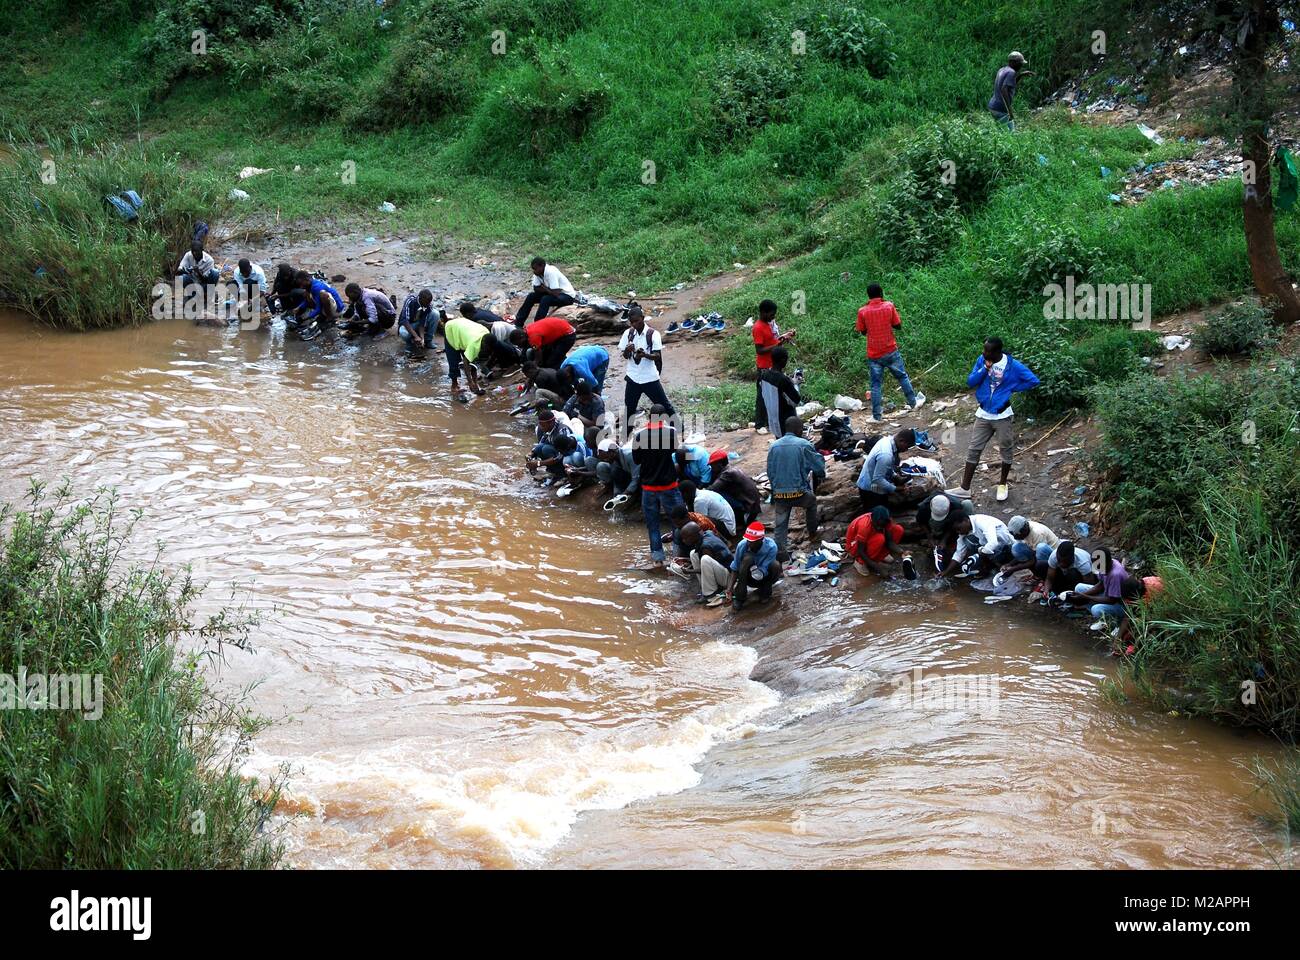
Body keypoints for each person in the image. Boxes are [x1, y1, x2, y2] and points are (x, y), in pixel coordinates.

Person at [946, 337, 1039, 503]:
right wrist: (984, 369)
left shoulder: (1013, 365)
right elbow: (970, 381)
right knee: (974, 449)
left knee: (1006, 449)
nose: (984, 353)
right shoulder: (982, 360)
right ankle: (965, 488)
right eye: (984, 349)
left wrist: (1011, 388)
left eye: (988, 351)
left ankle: (1003, 484)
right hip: (983, 414)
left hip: (1002, 415)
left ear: (998, 352)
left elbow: (1033, 380)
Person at [856, 283, 924, 423]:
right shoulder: (889, 306)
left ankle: (877, 416)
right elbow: (897, 325)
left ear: (868, 295)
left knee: (875, 385)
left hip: (874, 354)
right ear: (881, 293)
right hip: (891, 350)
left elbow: (862, 331)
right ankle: (913, 403)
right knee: (902, 377)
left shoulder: (862, 311)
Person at [631, 405, 684, 567]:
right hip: (669, 485)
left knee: (653, 524)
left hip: (649, 488)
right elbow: (674, 451)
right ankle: (678, 556)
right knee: (677, 522)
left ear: (649, 417)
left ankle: (657, 559)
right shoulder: (670, 433)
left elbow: (637, 460)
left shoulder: (639, 436)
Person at [766, 416, 825, 560]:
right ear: (799, 430)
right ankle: (812, 532)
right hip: (798, 492)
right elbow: (818, 467)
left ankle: (780, 552)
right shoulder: (803, 444)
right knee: (811, 502)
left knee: (781, 523)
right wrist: (821, 473)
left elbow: (770, 470)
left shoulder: (774, 446)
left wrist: (775, 488)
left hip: (779, 494)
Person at [618, 304, 674, 420]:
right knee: (629, 409)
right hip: (633, 377)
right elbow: (625, 356)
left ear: (642, 318)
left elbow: (657, 356)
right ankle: (626, 435)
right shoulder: (628, 334)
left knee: (665, 406)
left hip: (649, 378)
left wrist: (645, 355)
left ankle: (679, 429)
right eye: (632, 322)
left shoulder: (653, 334)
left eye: (637, 321)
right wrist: (628, 350)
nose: (634, 324)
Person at [752, 299, 795, 434]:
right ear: (763, 312)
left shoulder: (768, 325)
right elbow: (760, 350)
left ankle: (767, 421)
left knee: (772, 395)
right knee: (762, 395)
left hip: (772, 365)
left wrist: (782, 338)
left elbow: (771, 342)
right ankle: (759, 424)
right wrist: (777, 345)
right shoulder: (758, 327)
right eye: (771, 314)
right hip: (764, 366)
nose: (773, 317)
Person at [1061, 547, 1129, 629]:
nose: (1097, 568)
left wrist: (1086, 596)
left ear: (1106, 562)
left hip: (1121, 604)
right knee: (1079, 588)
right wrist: (1081, 594)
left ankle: (1113, 623)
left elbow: (1112, 600)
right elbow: (1100, 585)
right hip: (1108, 594)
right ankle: (1098, 612)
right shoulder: (1107, 564)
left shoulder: (1115, 575)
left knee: (1096, 609)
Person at [442, 314, 506, 397]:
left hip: (463, 329)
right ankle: (454, 385)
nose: (486, 350)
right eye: (485, 348)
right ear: (483, 343)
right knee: (454, 360)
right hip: (451, 329)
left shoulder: (487, 336)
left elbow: (472, 363)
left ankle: (474, 384)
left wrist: (474, 382)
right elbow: (466, 362)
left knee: (472, 358)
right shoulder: (475, 344)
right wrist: (470, 381)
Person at [856, 429, 916, 515]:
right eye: (907, 447)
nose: (906, 450)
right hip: (870, 490)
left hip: (872, 483)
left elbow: (886, 467)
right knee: (876, 519)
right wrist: (897, 489)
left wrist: (895, 476)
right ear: (901, 441)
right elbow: (878, 479)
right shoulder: (886, 454)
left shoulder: (886, 440)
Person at [846, 506, 914, 579]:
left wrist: (902, 552)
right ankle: (860, 562)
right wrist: (878, 568)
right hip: (854, 546)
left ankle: (879, 555)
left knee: (898, 529)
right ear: (873, 520)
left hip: (871, 539)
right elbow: (860, 551)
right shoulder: (864, 526)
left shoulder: (886, 521)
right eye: (878, 525)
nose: (879, 528)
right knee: (880, 539)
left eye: (882, 526)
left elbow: (889, 542)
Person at [677, 522, 735, 606]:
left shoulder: (706, 547)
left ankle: (710, 594)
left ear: (694, 536)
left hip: (729, 577)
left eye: (686, 538)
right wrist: (687, 563)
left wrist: (689, 571)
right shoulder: (707, 533)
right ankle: (704, 588)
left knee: (705, 560)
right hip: (721, 569)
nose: (684, 540)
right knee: (693, 553)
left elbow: (705, 568)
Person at [939, 513, 1014, 578]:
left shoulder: (981, 522)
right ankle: (991, 564)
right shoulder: (964, 533)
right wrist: (945, 572)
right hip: (992, 547)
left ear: (965, 520)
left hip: (1006, 545)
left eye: (959, 529)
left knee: (977, 551)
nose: (959, 532)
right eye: (956, 531)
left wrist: (980, 555)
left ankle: (996, 564)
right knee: (967, 541)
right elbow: (959, 554)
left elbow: (993, 543)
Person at [726, 522, 780, 611]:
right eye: (748, 540)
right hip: (746, 577)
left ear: (761, 539)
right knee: (748, 559)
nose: (749, 543)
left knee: (775, 565)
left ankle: (765, 591)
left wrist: (759, 571)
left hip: (763, 576)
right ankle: (740, 597)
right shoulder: (742, 545)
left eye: (752, 541)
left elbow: (765, 567)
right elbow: (735, 568)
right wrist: (729, 589)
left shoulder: (771, 546)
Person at [915, 491, 974, 571]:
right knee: (936, 525)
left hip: (950, 522)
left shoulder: (955, 505)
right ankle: (938, 537)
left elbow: (954, 523)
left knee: (967, 504)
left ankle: (965, 537)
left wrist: (944, 540)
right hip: (935, 526)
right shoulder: (924, 507)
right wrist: (929, 537)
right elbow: (921, 522)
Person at [516, 256, 577, 326]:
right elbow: (536, 289)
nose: (534, 271)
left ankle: (537, 324)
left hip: (567, 296)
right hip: (555, 294)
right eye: (533, 269)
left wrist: (544, 287)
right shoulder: (538, 273)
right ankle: (518, 323)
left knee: (545, 299)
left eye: (535, 269)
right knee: (531, 296)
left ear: (542, 266)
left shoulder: (551, 272)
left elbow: (555, 293)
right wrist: (547, 290)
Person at [998, 515, 1061, 580]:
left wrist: (1013, 569)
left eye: (1016, 535)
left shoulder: (1037, 533)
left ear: (1023, 531)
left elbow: (1033, 560)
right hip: (1036, 551)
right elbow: (1032, 553)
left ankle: (1047, 574)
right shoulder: (1023, 530)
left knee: (1040, 549)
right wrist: (1009, 564)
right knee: (1016, 548)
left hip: (1053, 553)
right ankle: (1037, 573)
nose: (1015, 538)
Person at [758, 346, 802, 437]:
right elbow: (796, 400)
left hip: (772, 416)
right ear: (783, 360)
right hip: (785, 419)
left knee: (779, 439)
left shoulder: (764, 375)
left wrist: (791, 382)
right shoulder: (783, 380)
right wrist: (796, 384)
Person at [1115, 574, 1164, 654]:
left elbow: (1157, 617)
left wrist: (1136, 641)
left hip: (1165, 609)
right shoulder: (1130, 593)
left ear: (1136, 595)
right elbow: (1128, 616)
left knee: (1140, 633)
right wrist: (1118, 639)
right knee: (1127, 636)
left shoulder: (1155, 588)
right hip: (1149, 608)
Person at [510, 315, 577, 370]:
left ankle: (564, 372)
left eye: (518, 343)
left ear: (521, 337)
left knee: (552, 361)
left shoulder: (533, 336)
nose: (519, 346)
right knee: (551, 355)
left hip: (567, 335)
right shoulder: (527, 330)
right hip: (560, 333)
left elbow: (538, 355)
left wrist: (535, 367)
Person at [709, 464, 762, 533]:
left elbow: (713, 489)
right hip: (752, 503)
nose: (711, 468)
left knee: (720, 496)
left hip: (749, 506)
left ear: (720, 465)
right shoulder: (732, 469)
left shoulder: (728, 473)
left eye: (713, 466)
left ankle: (739, 520)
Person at [526, 407, 574, 484]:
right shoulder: (548, 430)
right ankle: (552, 472)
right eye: (540, 425)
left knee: (546, 449)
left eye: (543, 425)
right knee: (540, 447)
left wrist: (538, 464)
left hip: (568, 458)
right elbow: (540, 444)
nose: (541, 427)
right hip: (558, 455)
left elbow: (560, 456)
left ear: (551, 422)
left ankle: (562, 475)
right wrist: (531, 454)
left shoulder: (562, 430)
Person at [293, 270, 344, 338]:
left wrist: (305, 318)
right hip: (330, 306)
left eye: (301, 284)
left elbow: (318, 309)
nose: (301, 286)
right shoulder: (311, 283)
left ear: (307, 279)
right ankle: (324, 316)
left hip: (337, 310)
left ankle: (330, 319)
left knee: (323, 295)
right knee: (306, 294)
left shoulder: (316, 287)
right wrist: (299, 307)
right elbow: (307, 301)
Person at [989, 51, 1030, 129]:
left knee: (1000, 132)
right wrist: (1009, 110)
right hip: (1001, 109)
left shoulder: (1002, 69)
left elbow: (1010, 84)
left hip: (993, 106)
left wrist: (1020, 75)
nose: (1021, 65)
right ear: (1013, 62)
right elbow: (1004, 89)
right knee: (1011, 135)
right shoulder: (1011, 72)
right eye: (1020, 63)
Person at [563, 379, 606, 448]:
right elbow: (565, 411)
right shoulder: (574, 398)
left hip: (591, 428)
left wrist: (578, 416)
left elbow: (597, 424)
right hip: (575, 424)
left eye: (587, 399)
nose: (586, 401)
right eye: (583, 399)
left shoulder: (597, 402)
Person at [595, 438, 640, 502]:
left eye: (606, 458)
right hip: (631, 474)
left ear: (612, 452)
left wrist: (624, 495)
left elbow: (636, 479)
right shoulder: (614, 458)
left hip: (645, 475)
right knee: (614, 471)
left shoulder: (629, 455)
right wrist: (616, 495)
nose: (606, 461)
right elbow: (616, 479)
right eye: (603, 459)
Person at [397, 289, 438, 358]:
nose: (428, 305)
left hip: (418, 323)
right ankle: (409, 343)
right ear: (420, 299)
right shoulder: (410, 301)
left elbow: (423, 321)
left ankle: (428, 341)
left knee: (435, 314)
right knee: (403, 332)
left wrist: (422, 338)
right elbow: (404, 320)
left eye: (429, 303)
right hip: (408, 324)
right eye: (426, 303)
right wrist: (416, 336)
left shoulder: (428, 304)